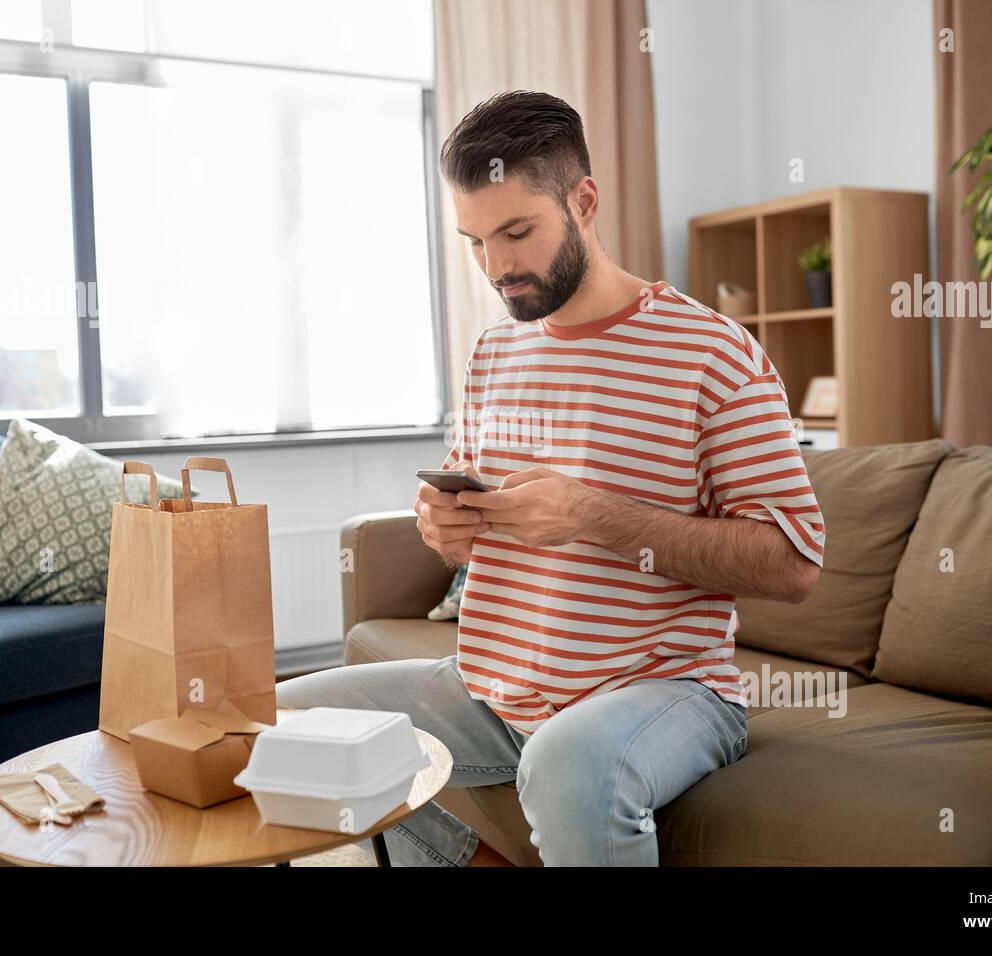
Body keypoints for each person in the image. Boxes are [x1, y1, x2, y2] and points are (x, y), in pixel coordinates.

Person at [275, 89, 824, 866]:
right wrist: (447, 529)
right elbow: (484, 535)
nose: (497, 267)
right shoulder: (493, 356)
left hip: (667, 692)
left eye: (517, 231)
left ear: (584, 201)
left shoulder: (714, 354)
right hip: (488, 688)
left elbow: (794, 565)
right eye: (474, 242)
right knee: (287, 724)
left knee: (570, 762)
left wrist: (594, 516)